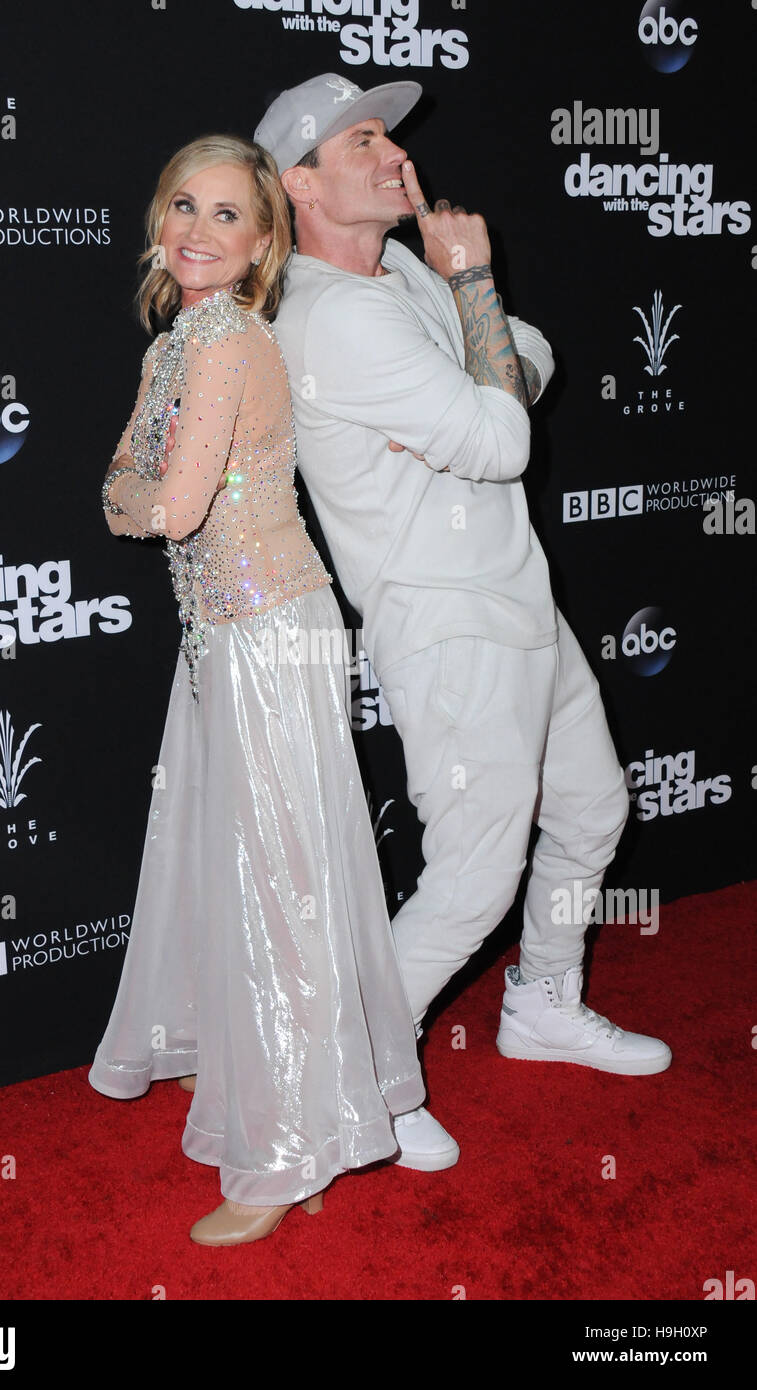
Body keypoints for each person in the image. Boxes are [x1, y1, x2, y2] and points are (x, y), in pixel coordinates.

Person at [254, 75, 672, 1164]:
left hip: (515, 592)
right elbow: (502, 440)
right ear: (300, 183)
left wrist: (473, 369)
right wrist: (475, 302)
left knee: (590, 809)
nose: (395, 151)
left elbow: (529, 356)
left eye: (389, 133)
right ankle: (362, 1077)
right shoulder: (327, 315)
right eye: (363, 139)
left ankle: (540, 999)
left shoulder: (395, 265)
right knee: (475, 870)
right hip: (444, 622)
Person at [87, 134, 427, 1248]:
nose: (197, 229)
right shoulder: (182, 339)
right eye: (182, 203)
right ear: (157, 214)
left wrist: (133, 491)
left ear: (264, 240)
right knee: (241, 875)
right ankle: (286, 1103)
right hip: (223, 634)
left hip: (268, 631)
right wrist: (134, 487)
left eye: (227, 214)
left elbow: (156, 503)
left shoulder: (225, 342)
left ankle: (288, 1148)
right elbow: (127, 486)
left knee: (282, 889)